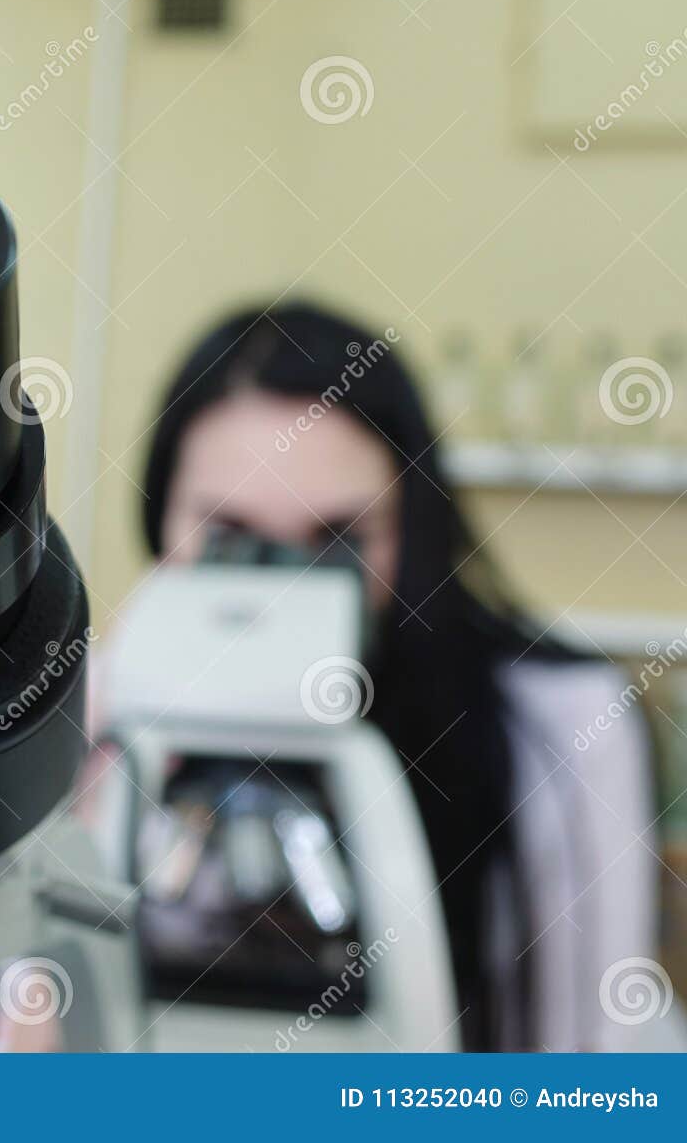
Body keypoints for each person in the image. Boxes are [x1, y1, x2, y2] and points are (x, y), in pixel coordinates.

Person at [104, 301, 681, 1051]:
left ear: (410, 534)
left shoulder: (563, 723)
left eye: (337, 540)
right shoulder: (108, 712)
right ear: (159, 527)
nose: (287, 591)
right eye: (230, 538)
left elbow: (585, 1057)